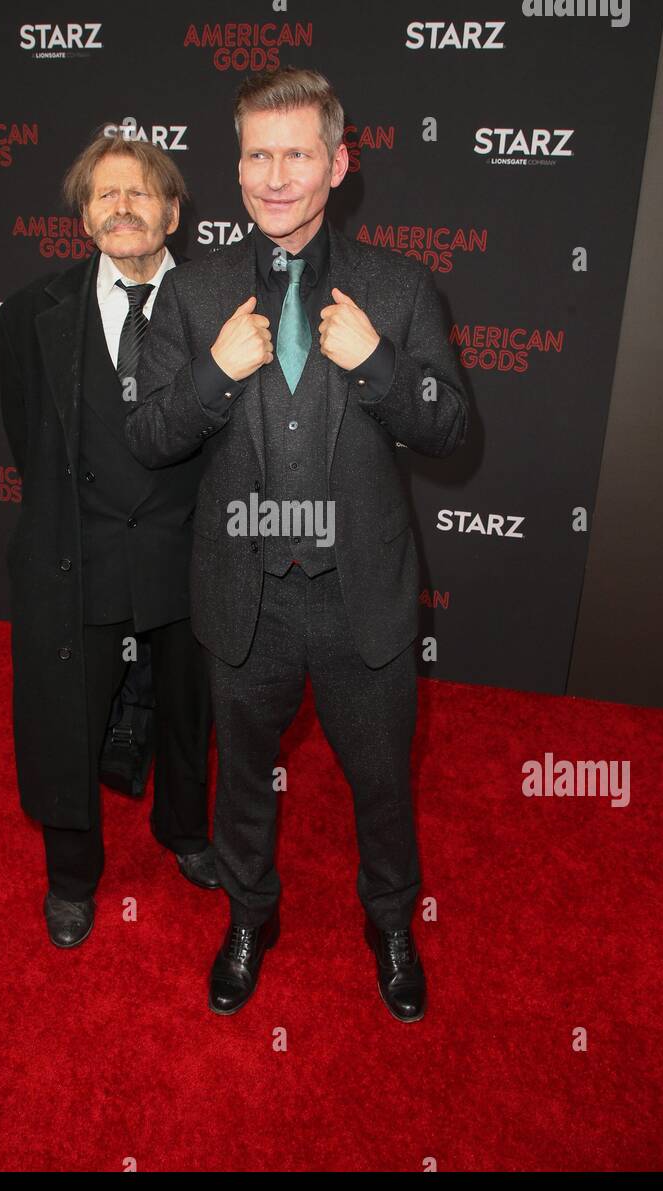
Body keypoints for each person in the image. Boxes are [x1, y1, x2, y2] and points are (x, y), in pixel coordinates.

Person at [125, 68, 469, 1020]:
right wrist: (211, 377)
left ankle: (391, 921)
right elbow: (150, 435)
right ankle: (248, 915)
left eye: (298, 154)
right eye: (257, 154)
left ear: (337, 163)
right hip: (249, 594)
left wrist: (383, 367)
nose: (275, 176)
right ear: (236, 164)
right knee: (243, 780)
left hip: (360, 590)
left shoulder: (398, 289)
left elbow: (449, 428)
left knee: (382, 781)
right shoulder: (190, 296)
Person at [0, 129, 217, 950]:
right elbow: (31, 441)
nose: (122, 207)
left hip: (187, 553)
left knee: (191, 711)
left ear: (171, 210)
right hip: (76, 556)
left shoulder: (221, 306)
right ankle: (71, 875)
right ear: (84, 219)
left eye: (140, 193)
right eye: (104, 195)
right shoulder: (29, 315)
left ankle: (186, 831)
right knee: (66, 720)